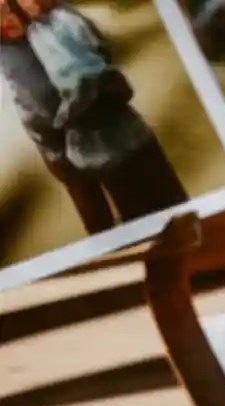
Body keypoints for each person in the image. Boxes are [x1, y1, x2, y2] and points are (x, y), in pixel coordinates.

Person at [14, 0, 188, 222]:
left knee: (161, 198)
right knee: (144, 210)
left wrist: (68, 116)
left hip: (117, 135)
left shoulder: (61, 21)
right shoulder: (36, 33)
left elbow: (91, 71)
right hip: (106, 145)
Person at [0, 0, 113, 234]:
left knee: (130, 196)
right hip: (54, 141)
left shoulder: (56, 18)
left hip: (96, 125)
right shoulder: (7, 48)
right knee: (94, 215)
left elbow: (99, 48)